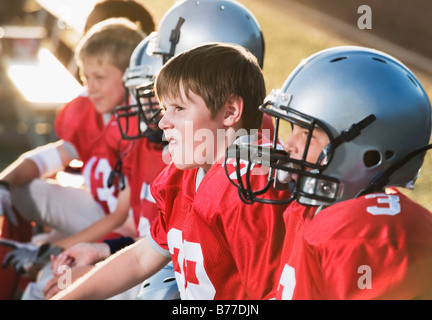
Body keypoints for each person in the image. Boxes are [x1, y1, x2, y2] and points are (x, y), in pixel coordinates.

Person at [51, 42, 290, 300]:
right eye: (165, 109)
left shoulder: (247, 185)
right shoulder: (185, 172)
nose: (163, 121)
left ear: (230, 111)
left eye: (179, 108)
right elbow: (141, 259)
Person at [228, 46, 432, 299]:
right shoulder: (312, 207)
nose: (288, 145)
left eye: (307, 134)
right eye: (292, 129)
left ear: (371, 155)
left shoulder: (369, 234)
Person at [0, 18, 146, 298]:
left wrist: (56, 246)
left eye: (99, 78)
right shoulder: (94, 112)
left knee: (51, 278)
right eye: (85, 77)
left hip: (127, 235)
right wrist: (4, 184)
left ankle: (32, 262)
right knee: (22, 190)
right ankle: (19, 251)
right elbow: (51, 156)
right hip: (102, 213)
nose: (89, 88)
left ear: (131, 77)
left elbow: (121, 221)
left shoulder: (140, 129)